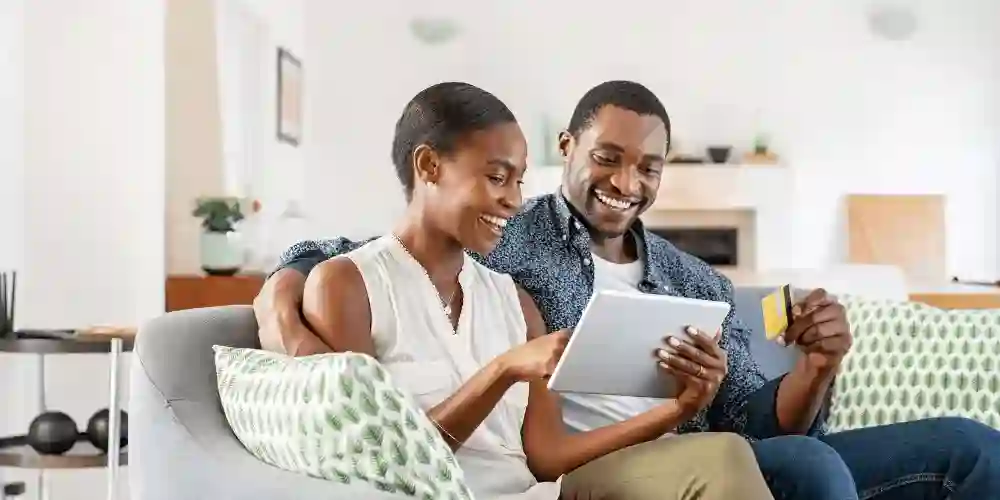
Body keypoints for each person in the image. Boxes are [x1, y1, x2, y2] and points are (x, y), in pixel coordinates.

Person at [257, 80, 1000, 500]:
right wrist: (283, 293)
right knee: (808, 468)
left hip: (701, 446)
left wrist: (815, 367)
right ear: (568, 150)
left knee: (970, 447)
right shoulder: (512, 237)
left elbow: (756, 419)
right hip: (602, 469)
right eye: (608, 158)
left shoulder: (692, 276)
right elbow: (361, 251)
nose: (626, 182)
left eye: (648, 167)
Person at [292, 81, 773, 500]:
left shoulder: (514, 302)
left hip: (542, 493)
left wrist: (678, 409)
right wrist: (501, 370)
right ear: (429, 166)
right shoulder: (347, 285)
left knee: (727, 454)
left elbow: (547, 459)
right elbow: (377, 464)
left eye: (519, 181)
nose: (514, 200)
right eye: (497, 177)